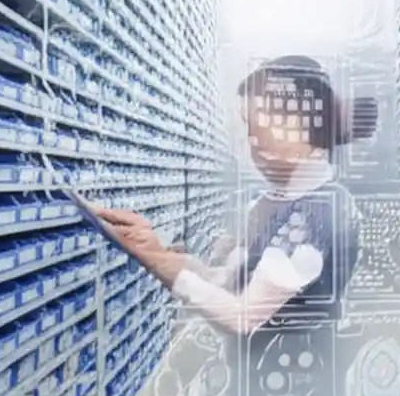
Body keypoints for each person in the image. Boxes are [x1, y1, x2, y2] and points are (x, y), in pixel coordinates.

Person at [70, 54, 373, 336]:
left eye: (254, 125)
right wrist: (156, 251)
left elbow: (245, 317)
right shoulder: (276, 202)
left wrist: (159, 263)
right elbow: (229, 284)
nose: (249, 142)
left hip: (291, 379)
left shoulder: (320, 210)